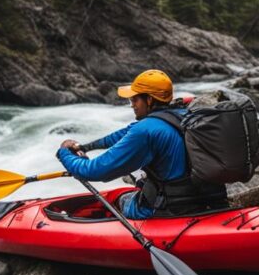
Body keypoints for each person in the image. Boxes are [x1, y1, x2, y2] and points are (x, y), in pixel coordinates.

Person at [56, 69, 227, 219]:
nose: (132, 105)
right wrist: (85, 147)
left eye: (135, 100)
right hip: (207, 200)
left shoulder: (146, 130)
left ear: (150, 100)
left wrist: (65, 153)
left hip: (170, 209)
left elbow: (94, 171)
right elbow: (122, 134)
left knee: (122, 200)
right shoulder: (184, 115)